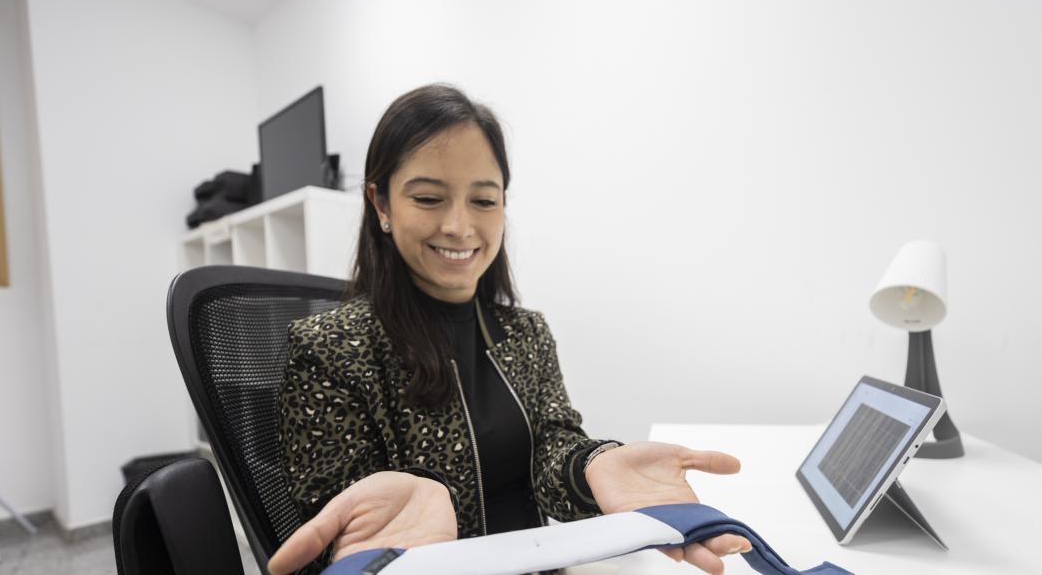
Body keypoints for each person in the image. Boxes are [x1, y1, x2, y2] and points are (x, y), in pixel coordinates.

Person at [268, 84, 749, 575]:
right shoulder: (327, 349)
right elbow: (329, 528)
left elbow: (552, 450)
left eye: (483, 200)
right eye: (430, 198)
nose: (459, 226)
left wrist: (591, 467)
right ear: (382, 204)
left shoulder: (527, 332)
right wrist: (385, 549)